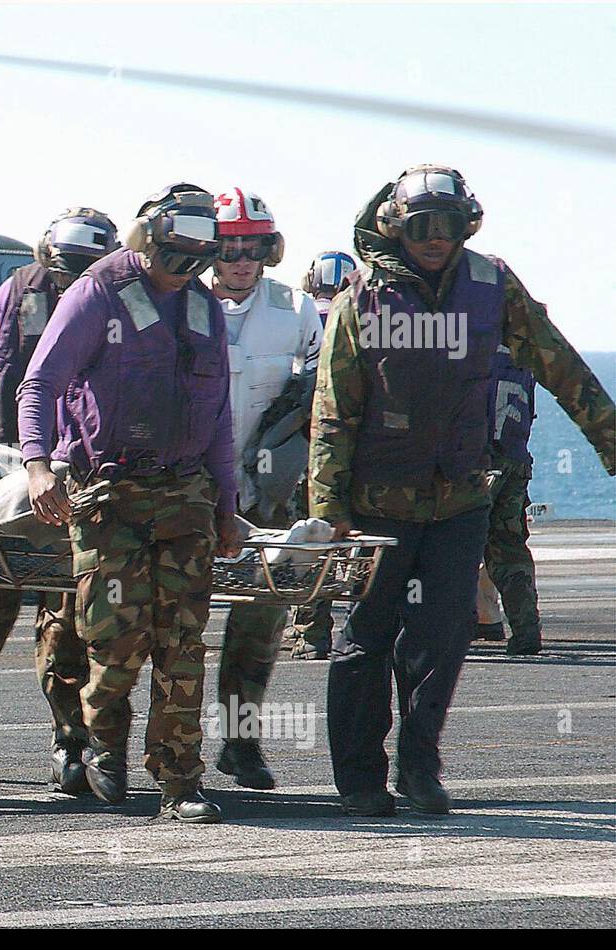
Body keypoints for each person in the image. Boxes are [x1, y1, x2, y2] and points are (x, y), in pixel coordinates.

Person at [311, 165, 616, 817]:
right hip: (377, 506)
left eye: (447, 225)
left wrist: (608, 438)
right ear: (397, 227)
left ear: (465, 225)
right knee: (366, 635)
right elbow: (333, 410)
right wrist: (326, 508)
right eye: (421, 224)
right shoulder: (360, 299)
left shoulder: (490, 285)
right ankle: (361, 777)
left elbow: (557, 361)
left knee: (443, 633)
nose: (434, 237)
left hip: (459, 499)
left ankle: (420, 765)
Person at [18, 184, 242, 823]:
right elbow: (39, 385)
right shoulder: (97, 293)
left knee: (183, 642)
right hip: (107, 494)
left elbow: (219, 416)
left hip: (186, 496)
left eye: (196, 259)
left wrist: (227, 506)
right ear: (148, 239)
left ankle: (180, 781)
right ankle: (104, 740)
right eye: (174, 255)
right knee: (114, 644)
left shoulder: (204, 308)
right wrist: (38, 467)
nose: (184, 270)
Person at [0, 208, 120, 794]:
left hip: (77, 487)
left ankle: (69, 745)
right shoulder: (15, 296)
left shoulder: (119, 308)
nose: (73, 284)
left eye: (86, 272)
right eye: (66, 271)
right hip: (10, 482)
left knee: (67, 624)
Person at [207, 187, 322, 790]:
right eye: (229, 246)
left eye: (253, 245)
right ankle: (144, 748)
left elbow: (318, 399)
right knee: (160, 623)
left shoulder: (296, 309)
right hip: (187, 488)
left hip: (263, 494)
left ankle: (239, 742)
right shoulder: (184, 304)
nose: (241, 258)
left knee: (260, 624)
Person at [284, 251, 357, 659]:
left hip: (306, 451)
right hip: (356, 454)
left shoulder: (302, 316)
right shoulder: (365, 319)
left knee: (310, 539)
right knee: (356, 545)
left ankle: (310, 633)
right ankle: (361, 632)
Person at [482, 346, 543, 653]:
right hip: (515, 458)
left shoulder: (469, 346)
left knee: (448, 549)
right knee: (510, 549)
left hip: (476, 462)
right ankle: (526, 628)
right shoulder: (522, 359)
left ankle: (440, 634)